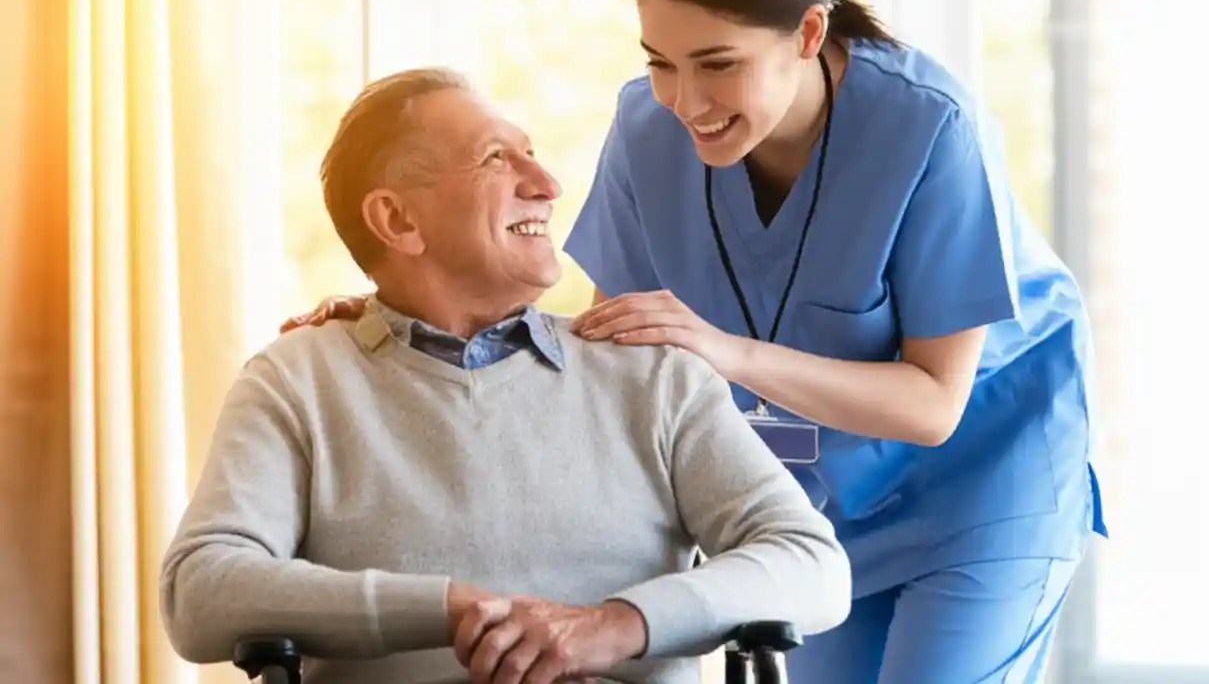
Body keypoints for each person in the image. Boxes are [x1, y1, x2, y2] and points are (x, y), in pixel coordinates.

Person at [286, 0, 1110, 682]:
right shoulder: (649, 129)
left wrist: (726, 351)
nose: (687, 101)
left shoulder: (929, 126)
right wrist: (406, 311)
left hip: (983, 480)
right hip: (816, 507)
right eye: (660, 63)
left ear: (806, 32)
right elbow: (623, 346)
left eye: (717, 64)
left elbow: (934, 404)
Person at [161, 67, 852, 684]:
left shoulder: (652, 374)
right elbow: (200, 592)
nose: (547, 186)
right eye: (498, 158)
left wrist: (609, 627)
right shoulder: (298, 380)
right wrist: (454, 608)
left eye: (534, 154)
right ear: (398, 219)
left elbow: (812, 566)